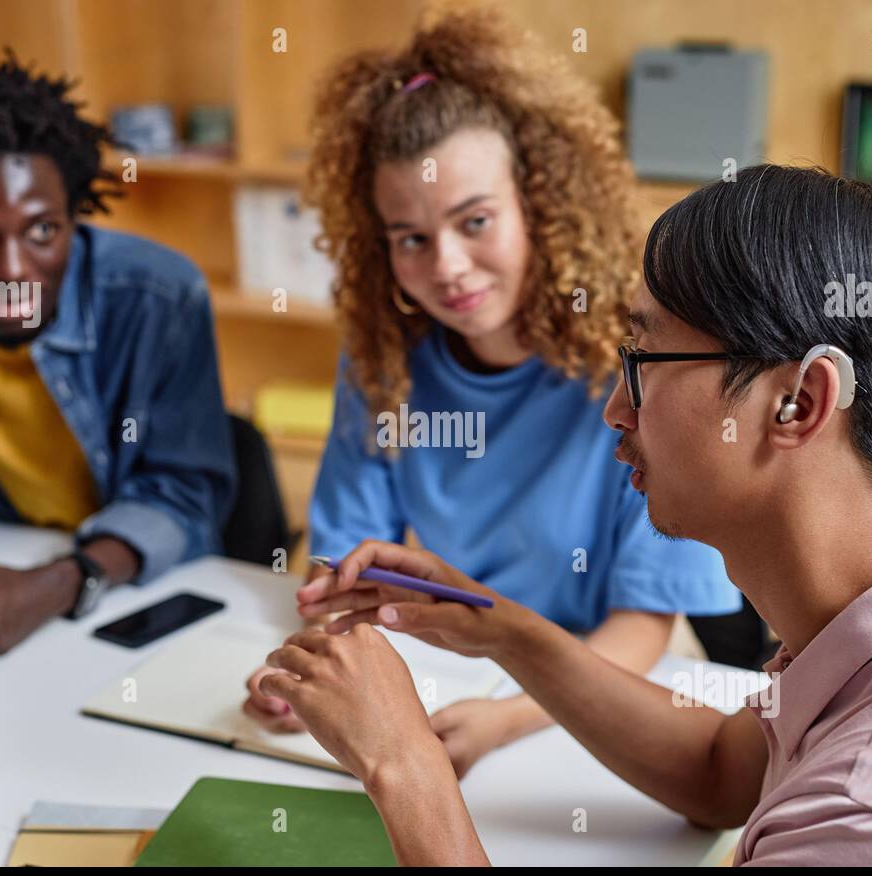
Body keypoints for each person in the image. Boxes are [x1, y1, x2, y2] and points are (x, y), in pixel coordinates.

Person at [254, 165, 872, 865]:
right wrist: (500, 627)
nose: (616, 409)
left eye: (645, 361)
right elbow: (721, 776)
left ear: (798, 402)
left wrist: (399, 763)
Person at [242, 10, 741, 778]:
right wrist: (318, 667)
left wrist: (506, 722)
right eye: (410, 237)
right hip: (448, 668)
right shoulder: (383, 361)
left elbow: (644, 625)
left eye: (474, 221)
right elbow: (341, 566)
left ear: (540, 205)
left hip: (595, 693)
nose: (447, 265)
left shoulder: (640, 362)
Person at [0, 57, 236, 666]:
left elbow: (186, 496)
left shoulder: (159, 297)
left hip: (127, 600)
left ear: (74, 218)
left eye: (42, 231)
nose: (10, 271)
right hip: (3, 556)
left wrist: (60, 585)